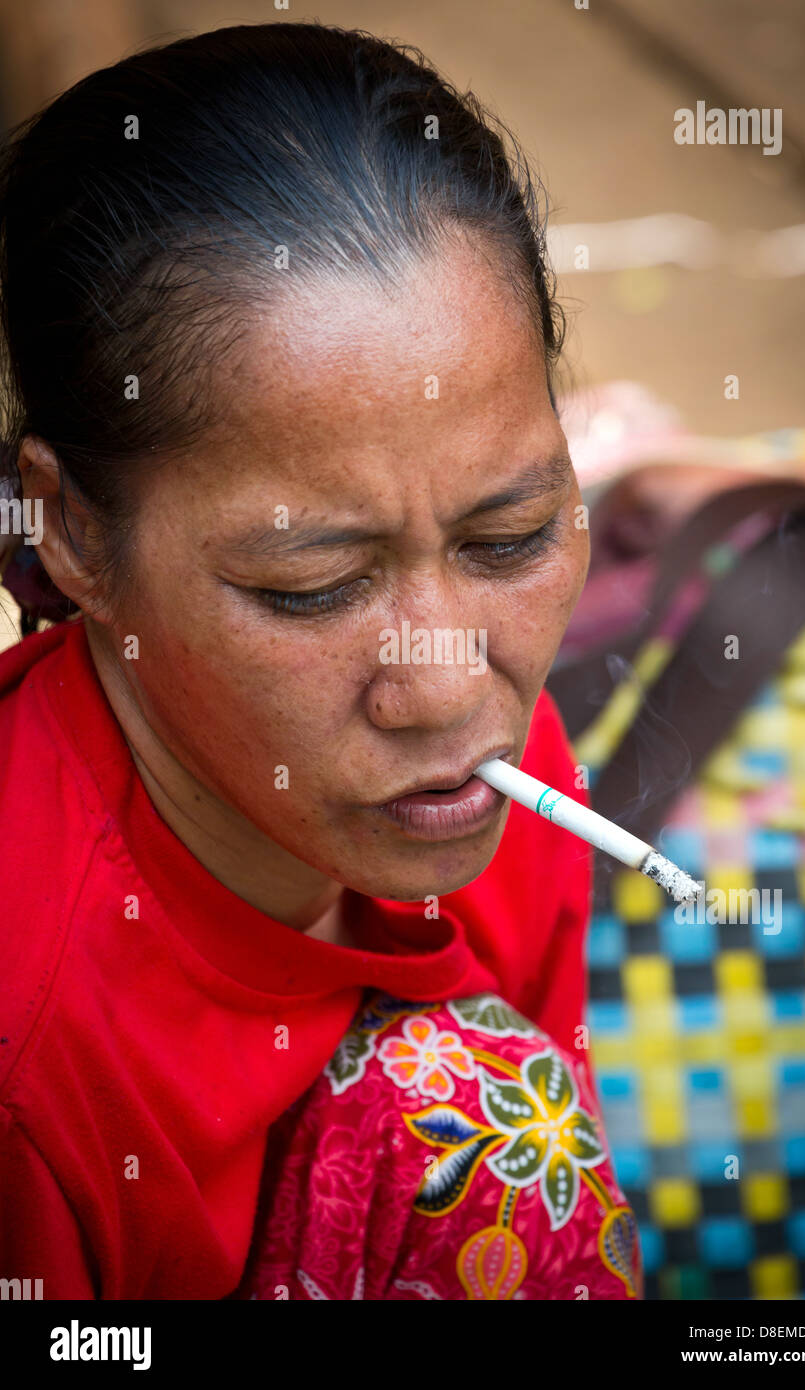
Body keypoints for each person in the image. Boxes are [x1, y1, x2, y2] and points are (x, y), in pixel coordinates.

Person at [0, 22, 640, 1300]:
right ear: (71, 530)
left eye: (506, 537)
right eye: (313, 586)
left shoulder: (500, 781)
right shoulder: (30, 1031)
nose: (453, 684)